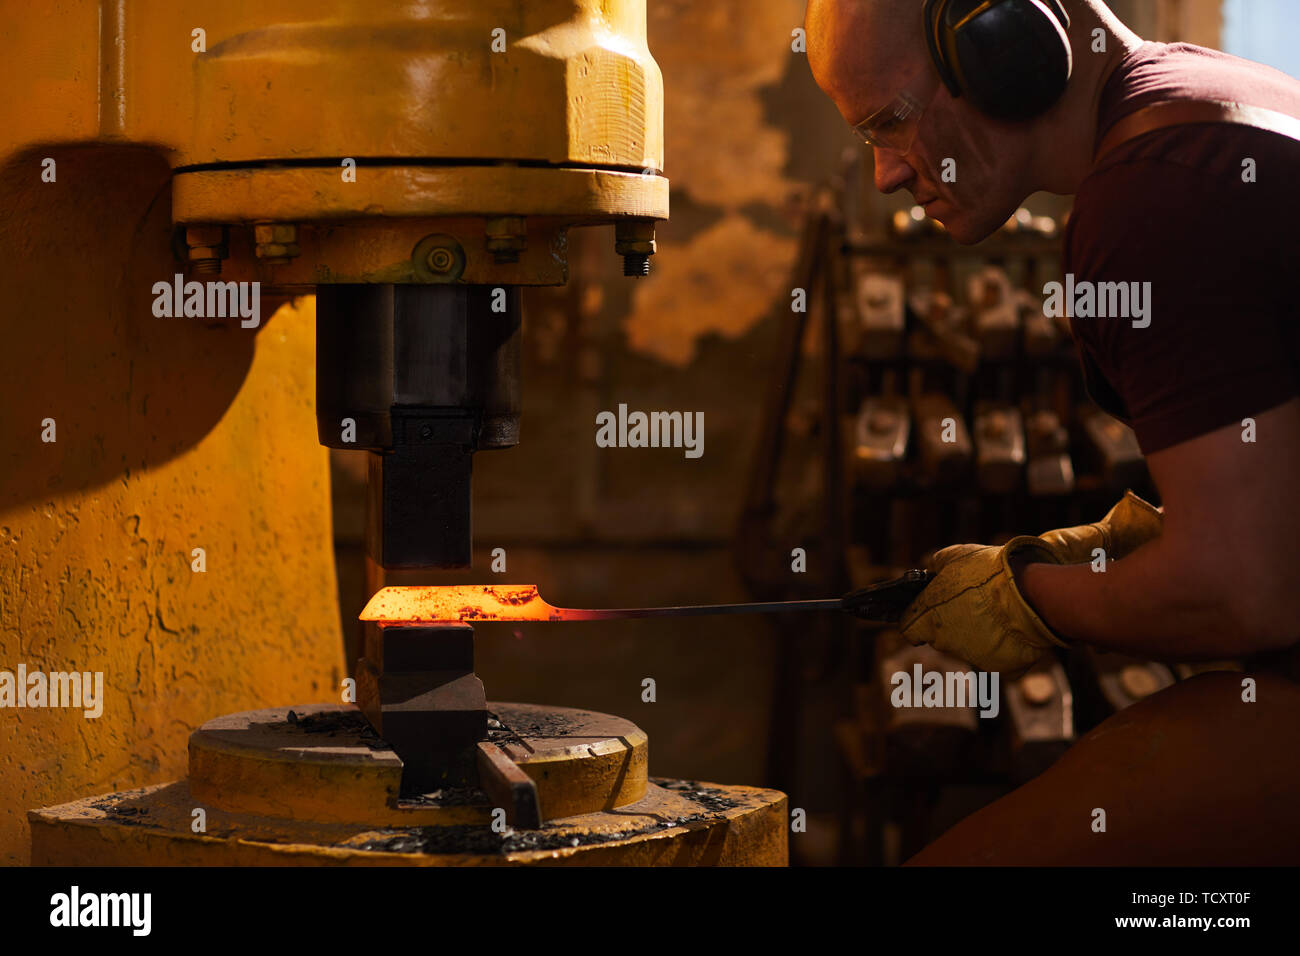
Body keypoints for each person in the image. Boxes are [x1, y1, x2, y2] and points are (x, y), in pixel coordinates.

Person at [805, 0, 1300, 863]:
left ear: (1005, 43)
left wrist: (1022, 594)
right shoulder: (1214, 94)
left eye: (891, 123)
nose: (885, 172)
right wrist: (1127, 546)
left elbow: (1246, 592)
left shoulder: (1149, 195)